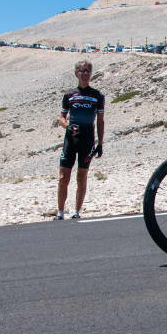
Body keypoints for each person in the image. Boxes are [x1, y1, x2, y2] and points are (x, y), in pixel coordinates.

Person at [56, 60, 105, 220]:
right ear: (76, 73)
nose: (85, 74)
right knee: (64, 177)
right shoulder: (69, 95)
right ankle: (60, 212)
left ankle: (77, 212)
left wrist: (100, 143)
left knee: (81, 176)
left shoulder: (97, 96)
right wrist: (67, 126)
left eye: (88, 71)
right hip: (71, 140)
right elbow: (62, 118)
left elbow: (100, 121)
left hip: (88, 140)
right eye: (82, 71)